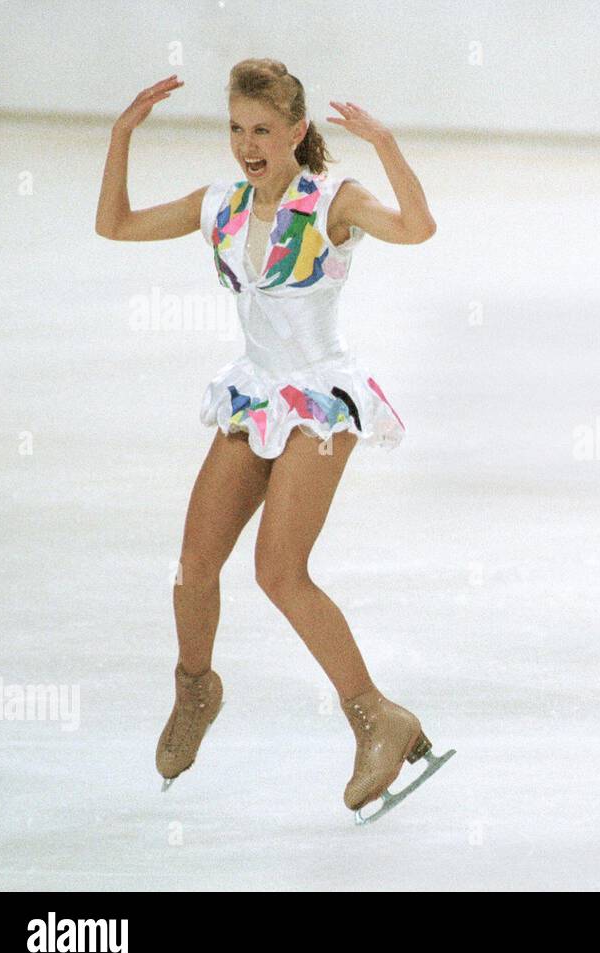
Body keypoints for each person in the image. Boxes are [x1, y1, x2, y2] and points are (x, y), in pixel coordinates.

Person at [95, 59, 448, 822]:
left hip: (320, 399)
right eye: (235, 129)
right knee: (193, 566)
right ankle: (196, 689)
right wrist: (122, 133)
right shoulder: (219, 205)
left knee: (279, 572)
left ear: (296, 132)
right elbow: (114, 224)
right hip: (255, 392)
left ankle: (376, 717)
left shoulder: (332, 201)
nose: (247, 145)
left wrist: (385, 144)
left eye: (262, 130)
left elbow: (418, 228)